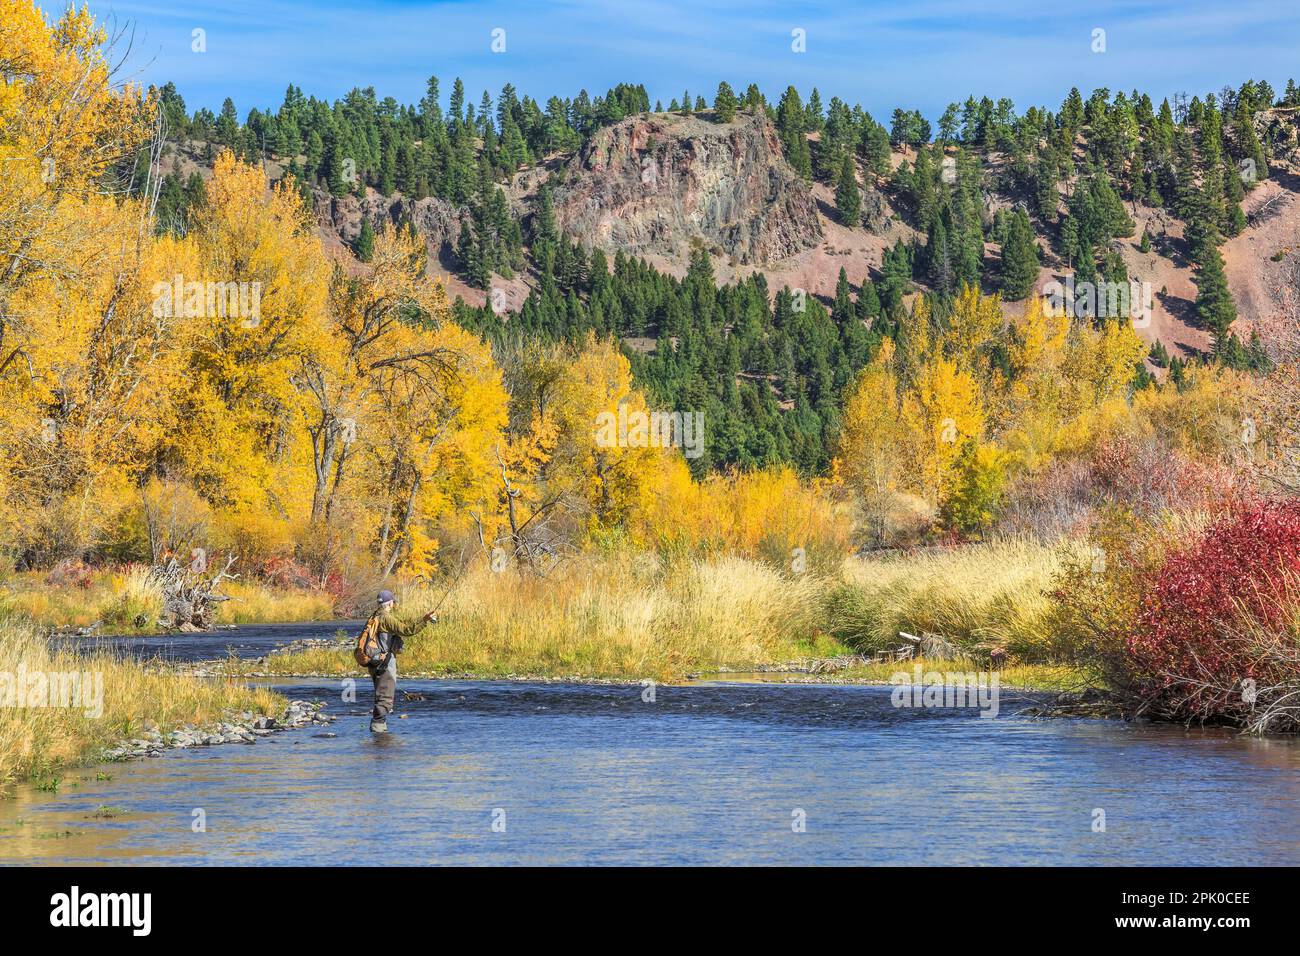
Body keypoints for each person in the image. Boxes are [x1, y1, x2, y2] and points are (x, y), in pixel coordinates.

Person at [367, 589, 437, 733]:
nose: (394, 604)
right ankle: (378, 730)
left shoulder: (375, 616)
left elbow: (401, 626)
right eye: (393, 602)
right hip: (384, 662)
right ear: (390, 603)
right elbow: (406, 630)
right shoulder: (386, 618)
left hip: (374, 661)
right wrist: (424, 620)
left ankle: (379, 731)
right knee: (385, 696)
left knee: (381, 694)